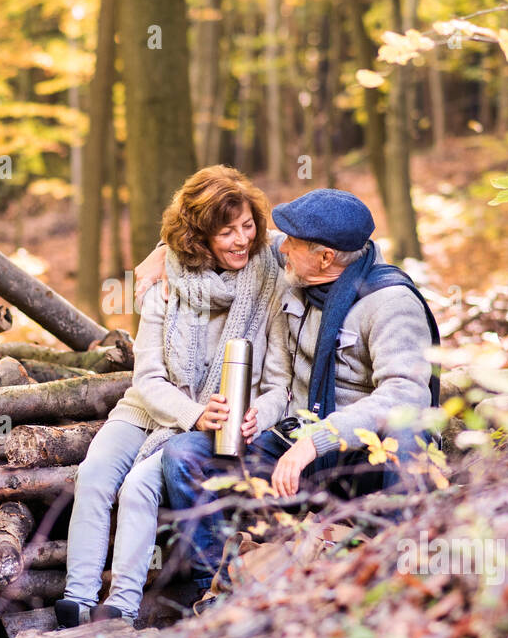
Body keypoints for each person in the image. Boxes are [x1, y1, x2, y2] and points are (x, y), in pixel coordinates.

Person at [156, 189, 439, 602]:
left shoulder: (390, 303)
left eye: (292, 243)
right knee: (184, 455)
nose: (280, 247)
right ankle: (215, 591)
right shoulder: (300, 268)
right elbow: (218, 230)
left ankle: (399, 583)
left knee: (411, 433)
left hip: (360, 453)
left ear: (326, 257)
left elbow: (405, 394)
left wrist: (317, 441)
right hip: (295, 436)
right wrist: (159, 254)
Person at [56, 165, 286, 627]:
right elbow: (148, 379)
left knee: (140, 485)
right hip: (151, 407)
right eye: (226, 231)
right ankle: (76, 599)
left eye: (247, 227)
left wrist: (246, 414)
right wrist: (193, 413)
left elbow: (280, 382)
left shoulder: (270, 284)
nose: (241, 240)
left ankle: (120, 607)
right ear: (199, 236)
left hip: (221, 418)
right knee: (95, 474)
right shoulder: (164, 286)